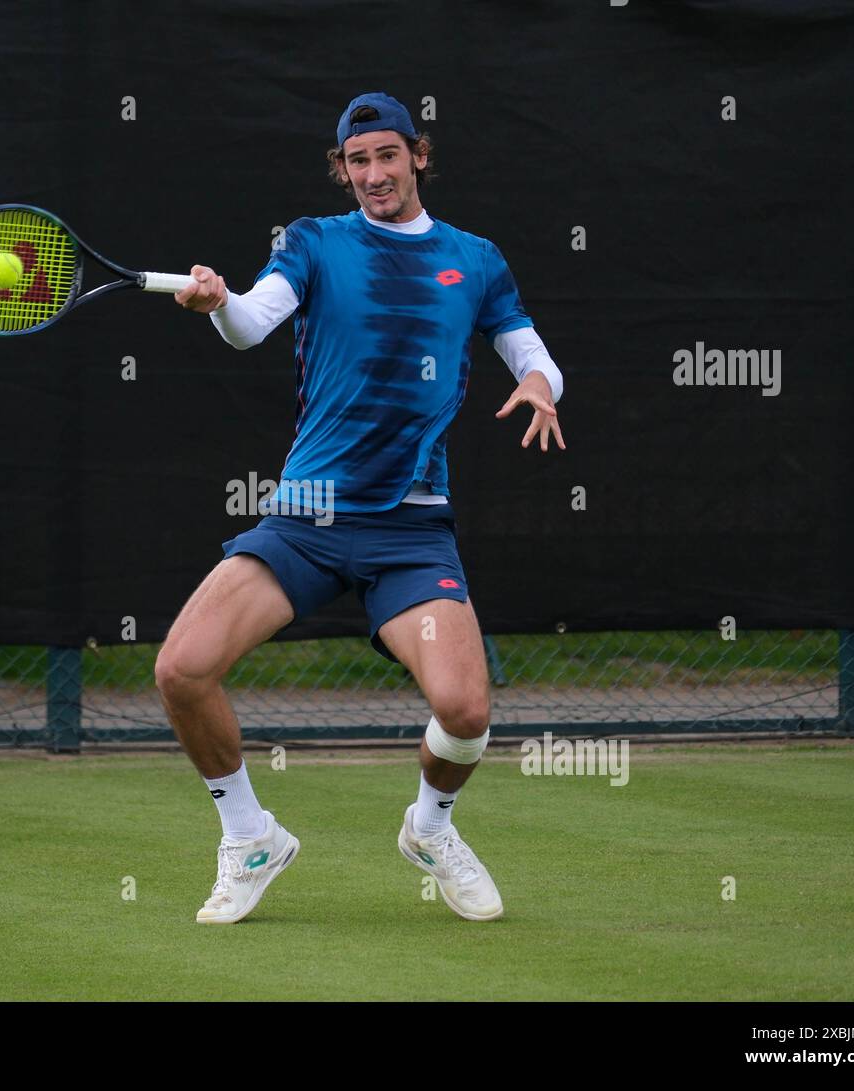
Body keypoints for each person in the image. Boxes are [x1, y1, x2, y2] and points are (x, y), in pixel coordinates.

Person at [157, 92, 566, 924]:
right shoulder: (313, 242)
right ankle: (250, 834)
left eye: (388, 155)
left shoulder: (475, 260)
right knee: (180, 668)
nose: (374, 174)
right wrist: (216, 303)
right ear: (341, 170)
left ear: (418, 155)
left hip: (412, 524)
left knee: (465, 710)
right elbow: (251, 323)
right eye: (357, 161)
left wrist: (535, 382)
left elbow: (535, 356)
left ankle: (429, 826)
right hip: (307, 512)